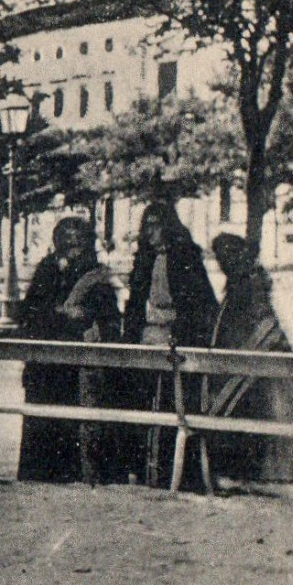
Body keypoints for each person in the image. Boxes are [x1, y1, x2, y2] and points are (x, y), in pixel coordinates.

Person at [15, 216, 126, 484]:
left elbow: (109, 321)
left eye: (78, 240)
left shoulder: (97, 277)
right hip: (46, 365)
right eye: (66, 239)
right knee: (43, 427)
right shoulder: (47, 270)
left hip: (79, 367)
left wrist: (87, 317)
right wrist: (60, 314)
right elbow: (28, 312)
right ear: (57, 242)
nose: (72, 245)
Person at [121, 201, 219, 486]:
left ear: (168, 226)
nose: (150, 231)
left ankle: (176, 474)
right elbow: (135, 304)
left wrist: (180, 327)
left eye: (156, 225)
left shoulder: (185, 256)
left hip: (176, 340)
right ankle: (144, 470)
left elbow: (200, 304)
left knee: (174, 405)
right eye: (147, 225)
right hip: (147, 338)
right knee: (143, 400)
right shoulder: (144, 259)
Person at [204, 234, 293, 484]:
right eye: (221, 257)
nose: (223, 262)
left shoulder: (249, 284)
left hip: (263, 356)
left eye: (229, 255)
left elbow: (260, 322)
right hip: (259, 356)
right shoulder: (247, 281)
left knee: (271, 411)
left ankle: (276, 471)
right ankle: (268, 470)